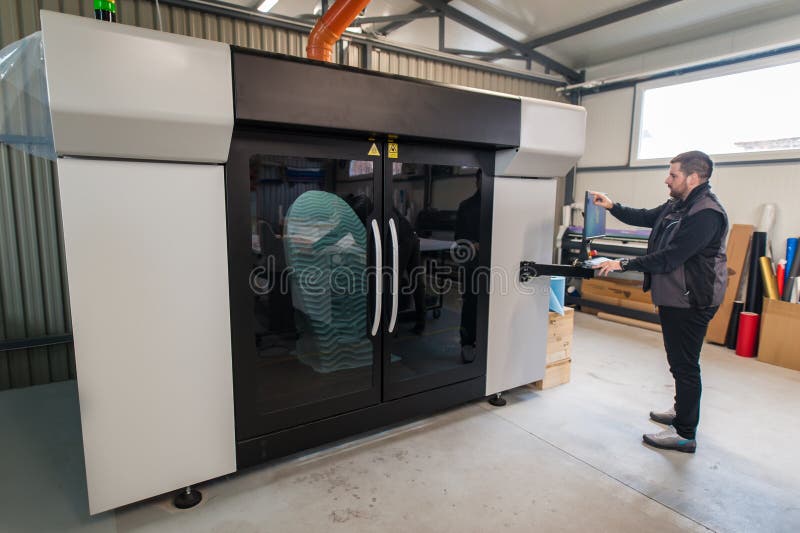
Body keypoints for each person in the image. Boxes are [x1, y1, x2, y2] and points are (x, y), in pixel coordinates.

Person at [590, 150, 728, 453]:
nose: (667, 179)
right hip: (676, 296)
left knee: (685, 365)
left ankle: (685, 434)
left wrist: (622, 264)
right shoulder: (678, 205)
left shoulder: (706, 213)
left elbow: (672, 256)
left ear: (693, 178)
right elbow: (644, 217)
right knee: (678, 362)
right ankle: (681, 414)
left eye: (673, 175)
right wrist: (612, 206)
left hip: (693, 300)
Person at [455, 169, 482, 363]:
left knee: (489, 305)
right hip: (472, 264)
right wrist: (472, 244)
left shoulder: (497, 206)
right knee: (471, 303)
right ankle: (467, 343)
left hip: (494, 265)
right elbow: (459, 239)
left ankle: (484, 342)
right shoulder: (466, 207)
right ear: (477, 181)